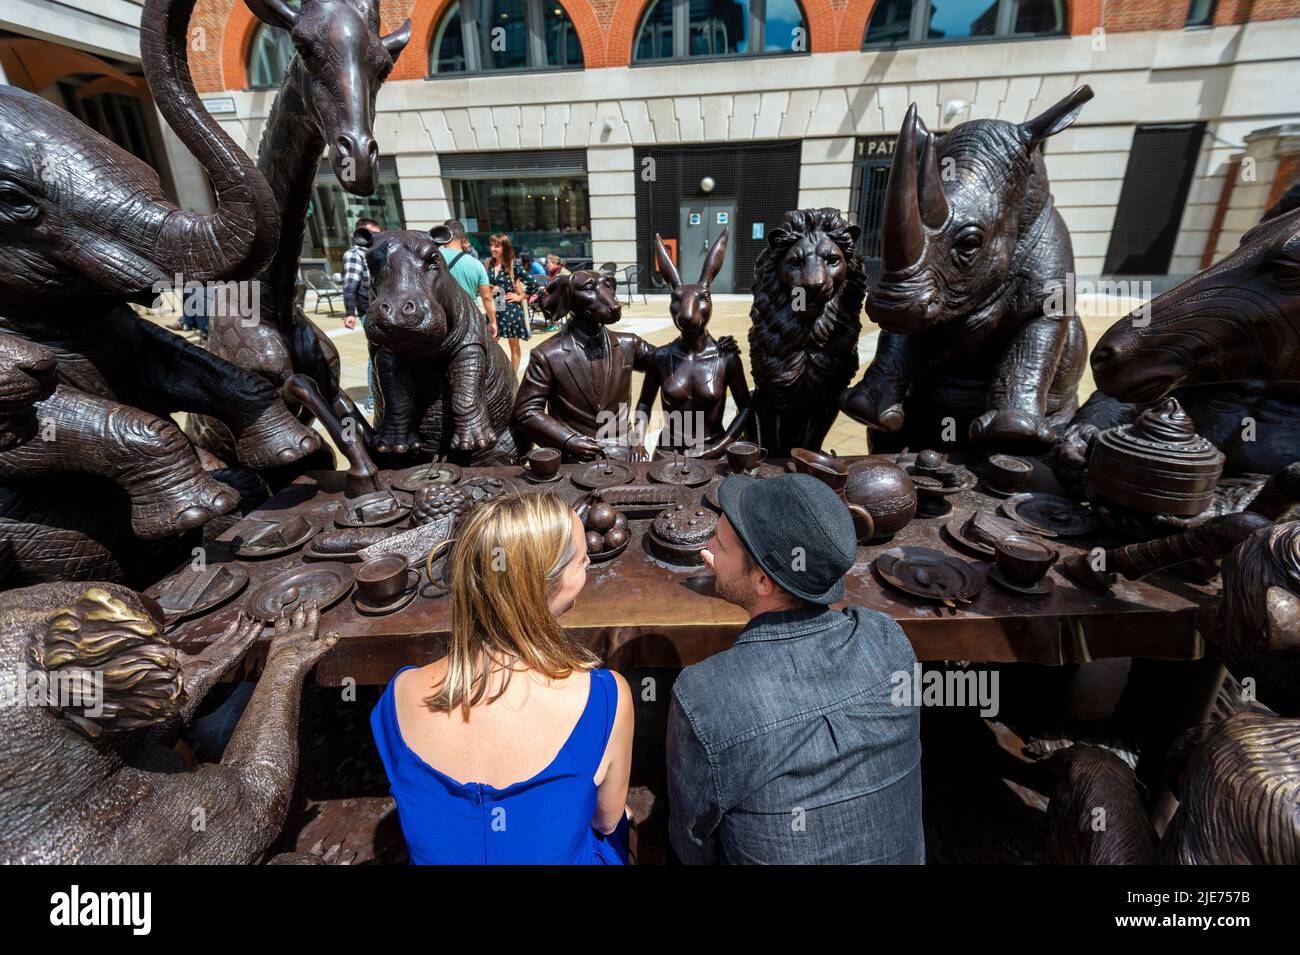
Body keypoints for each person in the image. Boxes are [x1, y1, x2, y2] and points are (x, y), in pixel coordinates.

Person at [667, 473, 924, 864]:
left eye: (719, 543)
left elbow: (692, 843)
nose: (708, 549)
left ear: (763, 581)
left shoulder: (704, 697)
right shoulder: (887, 640)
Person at [371, 492, 634, 864]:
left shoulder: (399, 694)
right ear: (543, 584)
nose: (589, 560)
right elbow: (605, 821)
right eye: (579, 560)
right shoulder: (606, 697)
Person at [343, 216, 382, 414]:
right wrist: (350, 312)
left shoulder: (377, 252)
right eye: (371, 234)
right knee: (374, 356)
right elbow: (350, 284)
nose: (375, 237)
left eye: (377, 233)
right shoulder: (355, 254)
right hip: (369, 311)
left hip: (383, 309)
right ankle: (373, 400)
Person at [487, 233, 538, 371]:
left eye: (496, 246)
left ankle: (513, 376)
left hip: (511, 309)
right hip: (494, 306)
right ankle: (494, 374)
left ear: (505, 247)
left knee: (514, 345)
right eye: (491, 245)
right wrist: (491, 288)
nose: (492, 249)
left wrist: (521, 297)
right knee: (491, 344)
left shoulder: (512, 264)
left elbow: (533, 283)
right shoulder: (489, 264)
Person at [440, 220, 497, 339]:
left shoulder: (434, 258)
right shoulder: (477, 264)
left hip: (442, 318)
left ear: (444, 236)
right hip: (470, 319)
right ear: (463, 238)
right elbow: (487, 297)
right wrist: (493, 322)